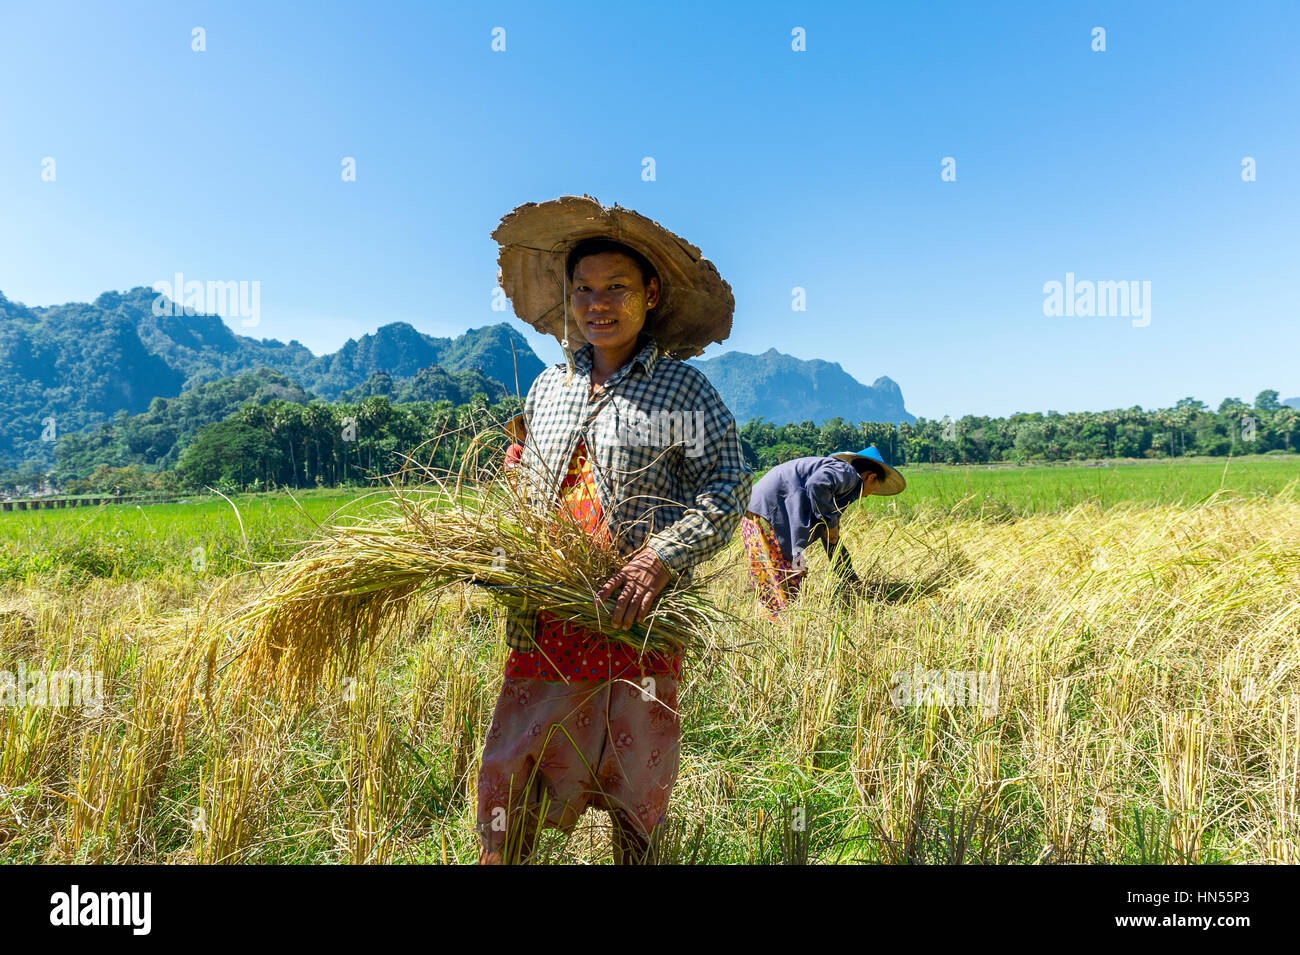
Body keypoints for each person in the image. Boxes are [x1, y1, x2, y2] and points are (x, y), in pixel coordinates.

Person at [478, 196, 752, 863]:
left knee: (637, 795)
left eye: (616, 289)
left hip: (636, 618)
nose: (597, 303)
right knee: (508, 786)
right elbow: (527, 475)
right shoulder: (548, 388)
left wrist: (659, 557)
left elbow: (730, 485)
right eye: (584, 290)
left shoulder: (684, 393)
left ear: (650, 294)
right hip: (547, 621)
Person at [741, 445, 905, 618]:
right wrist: (829, 523)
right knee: (776, 578)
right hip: (767, 513)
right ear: (870, 477)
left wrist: (851, 580)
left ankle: (780, 619)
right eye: (875, 487)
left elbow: (832, 540)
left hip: (767, 515)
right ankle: (775, 624)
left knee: (794, 572)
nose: (869, 495)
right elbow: (817, 484)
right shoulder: (847, 473)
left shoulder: (839, 492)